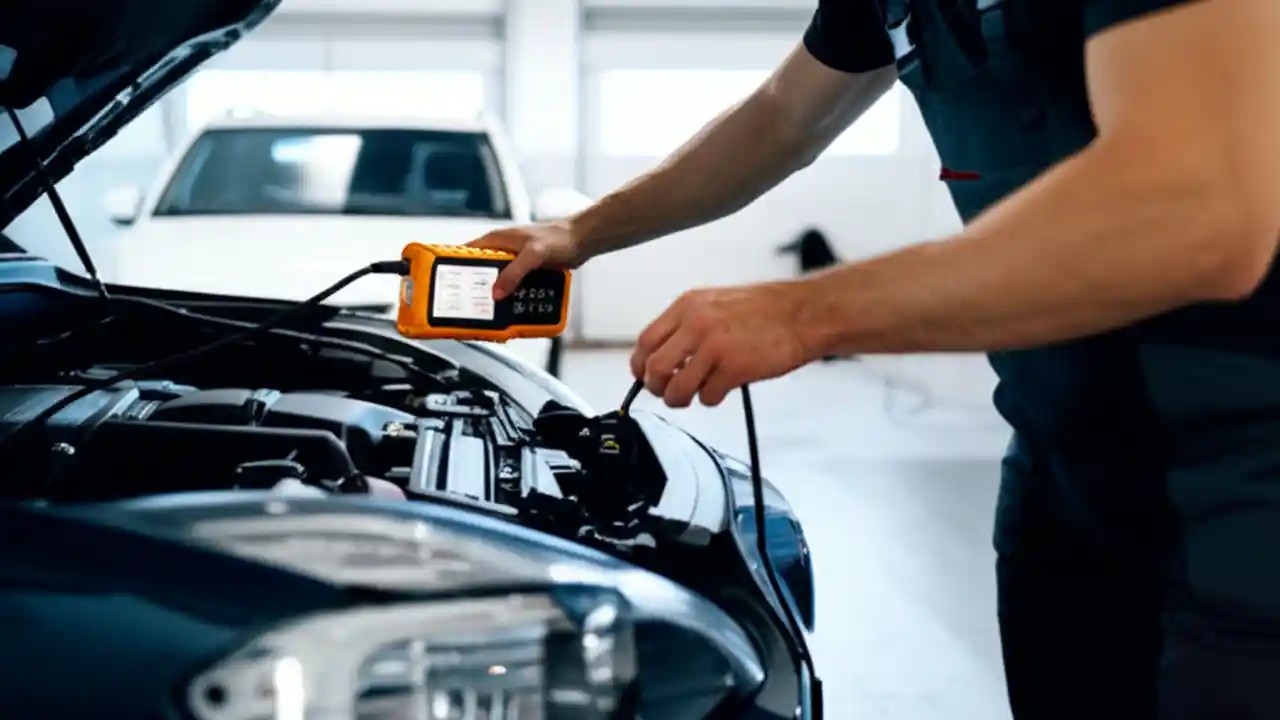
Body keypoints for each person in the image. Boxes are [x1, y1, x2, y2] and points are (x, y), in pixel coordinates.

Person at [470, 2, 1280, 717]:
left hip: (1244, 487)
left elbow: (1198, 208)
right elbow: (785, 117)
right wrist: (580, 234)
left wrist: (805, 314)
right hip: (1063, 464)